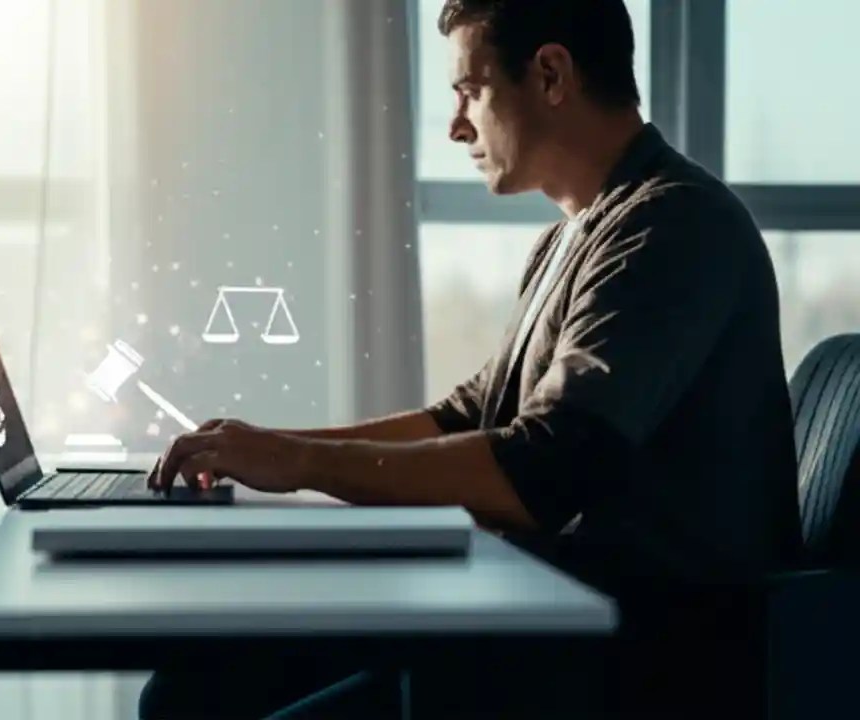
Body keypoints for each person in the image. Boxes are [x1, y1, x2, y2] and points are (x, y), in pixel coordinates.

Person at [140, 0, 803, 717]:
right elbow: (463, 419)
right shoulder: (573, 239)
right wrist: (265, 450)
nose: (457, 126)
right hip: (547, 621)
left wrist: (298, 464)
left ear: (551, 75)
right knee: (192, 690)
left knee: (198, 700)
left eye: (470, 91)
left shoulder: (673, 225)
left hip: (636, 659)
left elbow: (542, 473)